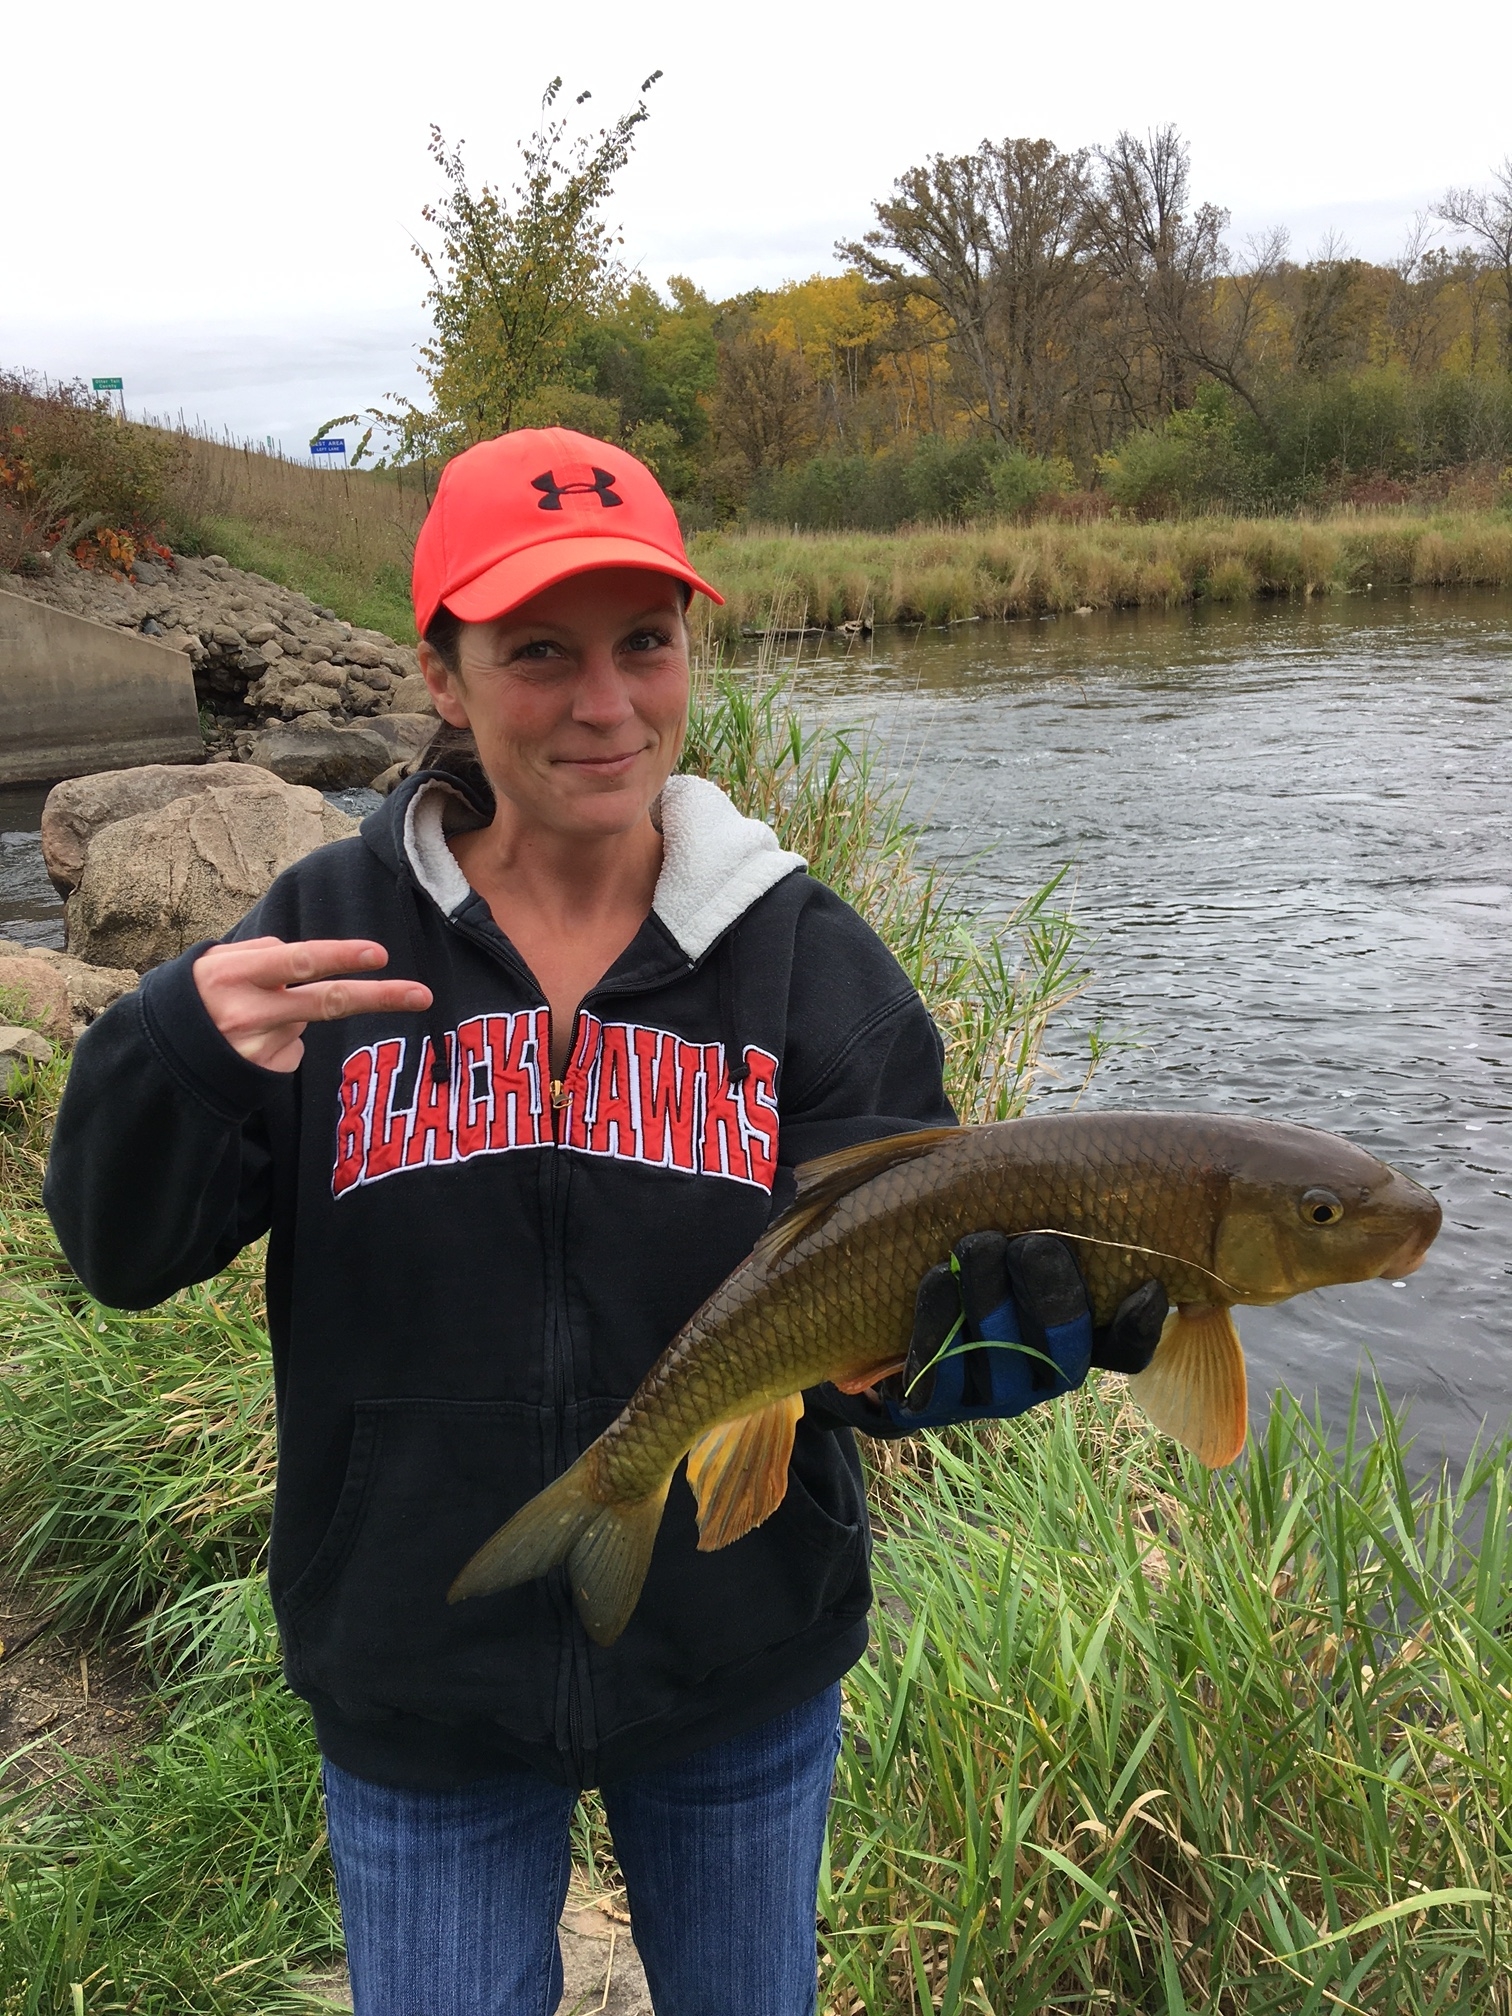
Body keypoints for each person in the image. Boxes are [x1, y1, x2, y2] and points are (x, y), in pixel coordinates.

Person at [44, 427, 1164, 2016]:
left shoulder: (807, 960)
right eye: (540, 653)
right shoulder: (325, 940)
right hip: (418, 1674)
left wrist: (976, 1355)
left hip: (737, 1670)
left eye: (645, 642)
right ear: (442, 675)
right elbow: (123, 1255)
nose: (606, 703)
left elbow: (870, 1350)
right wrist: (164, 1051)